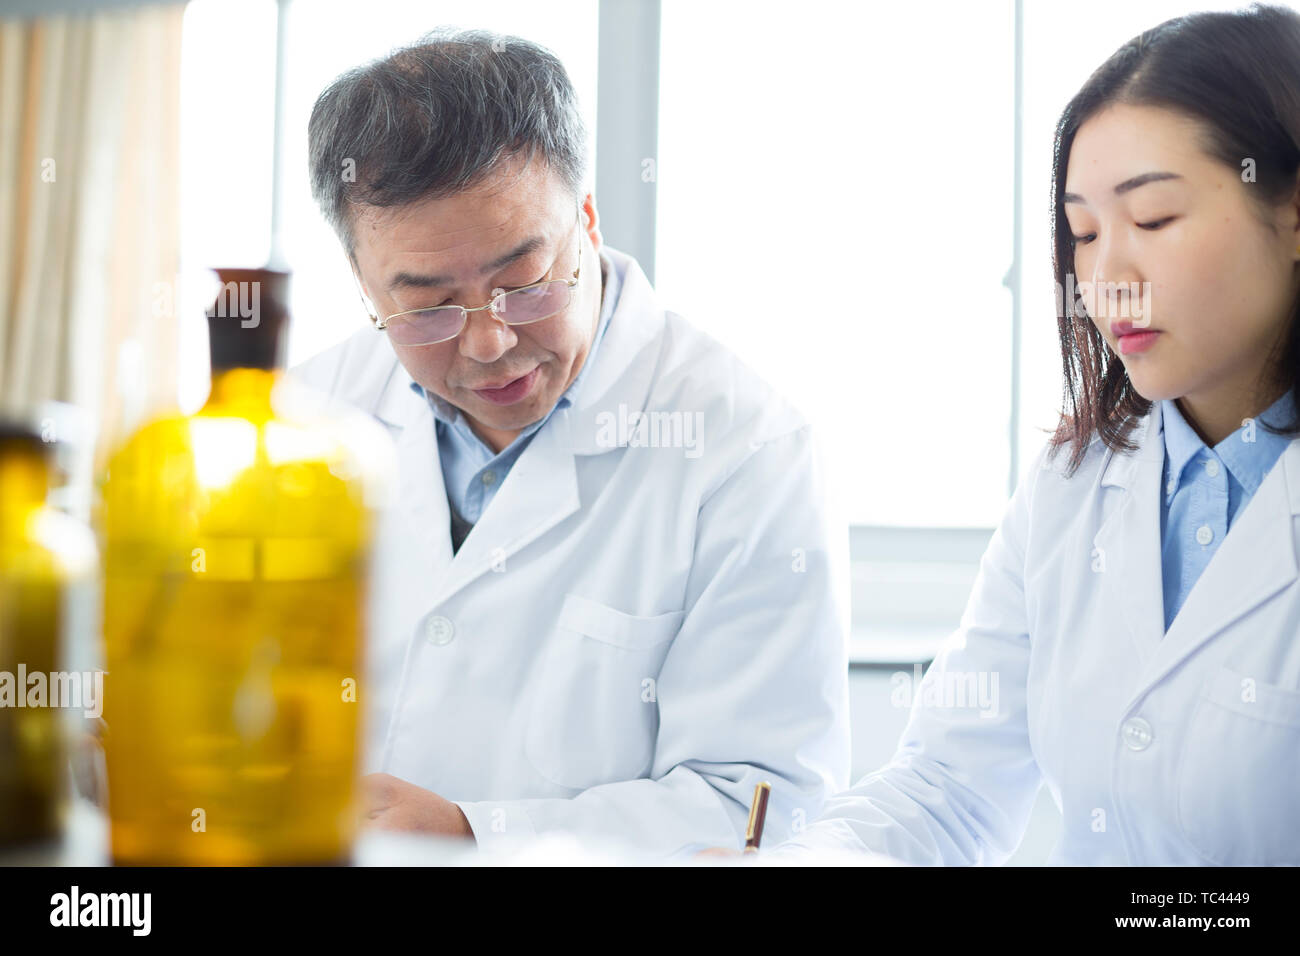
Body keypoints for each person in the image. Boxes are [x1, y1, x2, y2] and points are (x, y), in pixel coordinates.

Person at [290, 28, 850, 857]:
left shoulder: (744, 450)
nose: (488, 343)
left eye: (523, 285)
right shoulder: (305, 417)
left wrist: (475, 835)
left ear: (585, 221)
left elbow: (759, 805)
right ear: (363, 284)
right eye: (429, 306)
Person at [769, 5, 1300, 865]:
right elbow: (947, 789)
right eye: (1084, 234)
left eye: (1155, 220)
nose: (1107, 275)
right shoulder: (1074, 484)